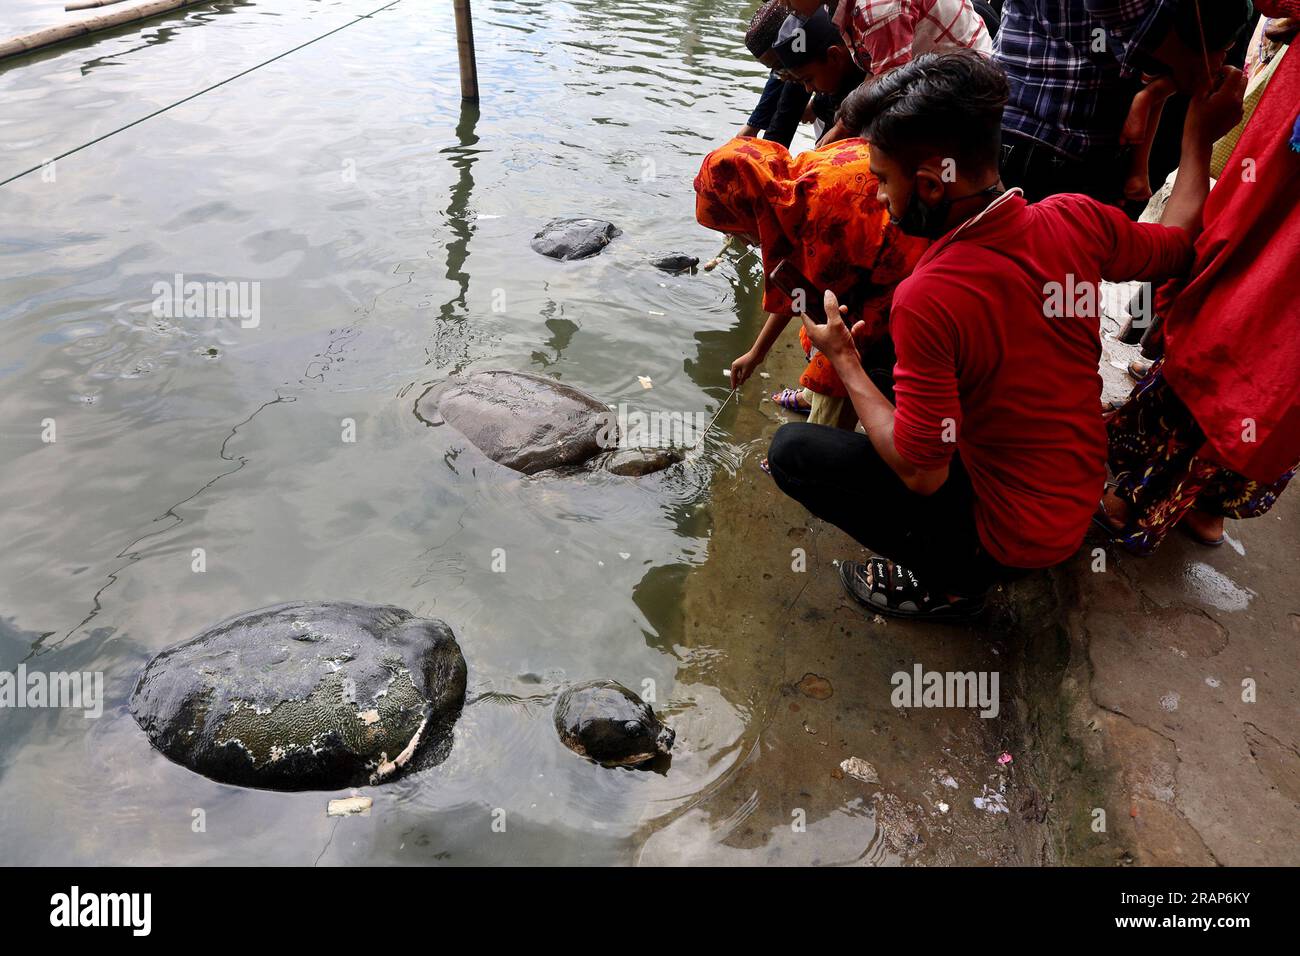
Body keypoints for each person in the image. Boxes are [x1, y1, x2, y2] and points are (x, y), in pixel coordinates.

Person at [766, 51, 1243, 621]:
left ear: (930, 186)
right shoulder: (1074, 217)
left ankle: (950, 582)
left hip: (1013, 538)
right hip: (1073, 492)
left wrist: (841, 359)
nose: (880, 201)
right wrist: (1196, 137)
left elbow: (924, 472)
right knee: (888, 357)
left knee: (794, 453)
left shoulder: (931, 296)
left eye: (883, 182)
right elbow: (1179, 245)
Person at [1098, 16, 1299, 554]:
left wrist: (1190, 134)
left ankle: (1149, 494)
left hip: (1277, 197)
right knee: (1269, 352)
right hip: (1275, 188)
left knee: (1241, 312)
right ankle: (1206, 499)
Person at [694, 136, 926, 427]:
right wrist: (756, 353)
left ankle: (817, 451)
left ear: (749, 209)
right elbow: (799, 291)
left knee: (836, 350)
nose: (737, 238)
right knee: (816, 328)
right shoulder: (793, 181)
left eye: (734, 229)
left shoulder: (818, 217)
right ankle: (812, 402)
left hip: (902, 277)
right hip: (888, 248)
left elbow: (825, 312)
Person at [996, 0, 1254, 204]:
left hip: (1071, 146)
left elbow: (1143, 60)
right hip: (1040, 142)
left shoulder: (1148, 46)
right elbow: (1129, 34)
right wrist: (1183, 68)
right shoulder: (1144, 38)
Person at [785, 0, 994, 143]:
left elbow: (890, 85)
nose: (785, 6)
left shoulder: (876, 9)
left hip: (966, 86)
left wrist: (841, 130)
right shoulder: (850, 10)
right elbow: (879, 69)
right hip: (933, 72)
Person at [771, 7, 866, 144]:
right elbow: (783, 119)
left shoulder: (876, 70)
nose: (808, 89)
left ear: (834, 56)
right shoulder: (833, 80)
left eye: (808, 80)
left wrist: (841, 127)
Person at [739, 0, 810, 148]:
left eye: (780, 66)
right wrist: (752, 126)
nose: (783, 76)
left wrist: (819, 106)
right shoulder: (794, 62)